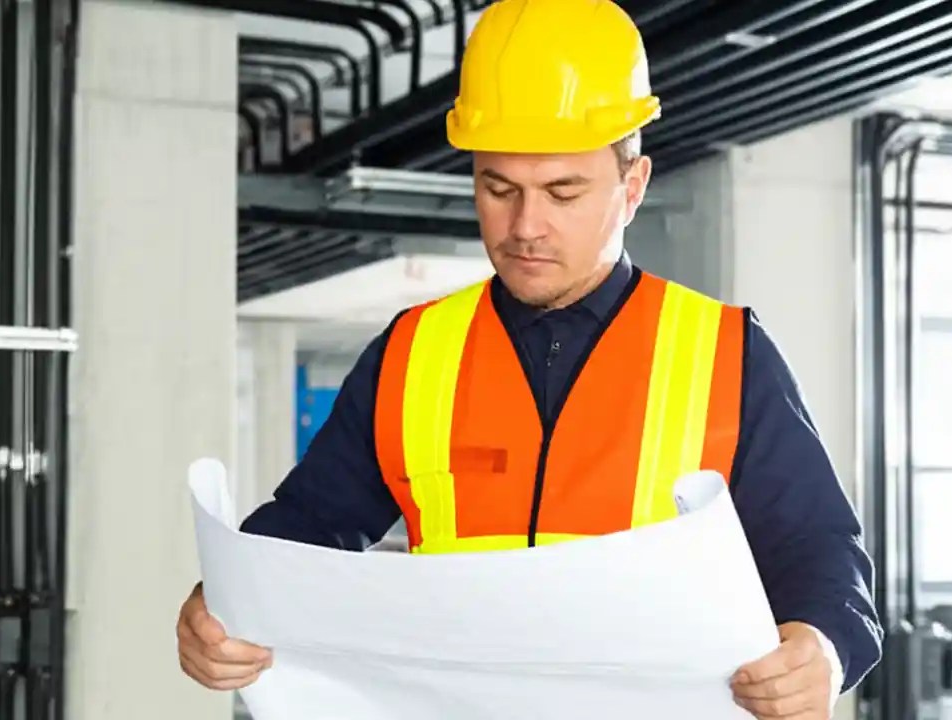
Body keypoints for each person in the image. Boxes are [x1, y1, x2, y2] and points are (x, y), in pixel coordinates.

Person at [177, 0, 882, 717]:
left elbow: (820, 552)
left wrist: (821, 649)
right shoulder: (413, 351)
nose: (525, 227)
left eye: (562, 192)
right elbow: (307, 528)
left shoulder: (728, 353)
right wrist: (224, 605)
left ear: (631, 188)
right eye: (498, 188)